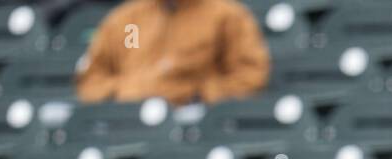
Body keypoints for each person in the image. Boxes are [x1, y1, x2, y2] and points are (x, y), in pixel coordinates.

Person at [75, 0, 270, 105]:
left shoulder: (227, 15)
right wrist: (127, 89)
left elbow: (250, 76)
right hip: (126, 124)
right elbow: (90, 81)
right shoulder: (126, 20)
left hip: (195, 123)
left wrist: (197, 94)